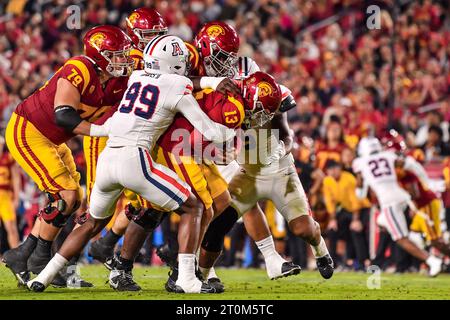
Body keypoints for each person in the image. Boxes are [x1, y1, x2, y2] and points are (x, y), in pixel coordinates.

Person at [27, 35, 235, 294]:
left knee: (92, 221)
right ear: (176, 63)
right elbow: (209, 130)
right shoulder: (178, 85)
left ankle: (42, 278)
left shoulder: (136, 77)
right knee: (194, 207)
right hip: (134, 159)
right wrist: (234, 130)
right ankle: (186, 279)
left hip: (108, 158)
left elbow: (175, 81)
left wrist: (211, 82)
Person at [2, 25, 134, 287]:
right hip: (29, 130)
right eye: (117, 54)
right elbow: (64, 115)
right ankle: (37, 258)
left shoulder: (118, 80)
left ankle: (25, 254)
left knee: (73, 200)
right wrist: (103, 129)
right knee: (66, 195)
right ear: (99, 54)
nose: (124, 59)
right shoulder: (80, 68)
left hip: (53, 139)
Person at [194, 72, 334, 290]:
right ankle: (199, 278)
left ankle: (321, 251)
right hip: (248, 174)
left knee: (303, 229)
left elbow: (287, 135)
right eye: (260, 110)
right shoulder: (227, 100)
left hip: (281, 172)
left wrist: (281, 148)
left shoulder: (274, 99)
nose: (262, 116)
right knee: (218, 225)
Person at [352, 137, 442, 276]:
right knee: (382, 221)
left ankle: (432, 260)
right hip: (403, 197)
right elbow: (412, 164)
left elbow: (361, 194)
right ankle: (417, 239)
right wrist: (427, 181)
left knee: (400, 238)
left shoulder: (360, 163)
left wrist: (362, 182)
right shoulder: (388, 155)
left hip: (389, 203)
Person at [0, 136, 20, 250]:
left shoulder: (8, 158)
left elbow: (16, 179)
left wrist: (16, 198)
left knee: (11, 226)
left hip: (6, 196)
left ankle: (15, 253)